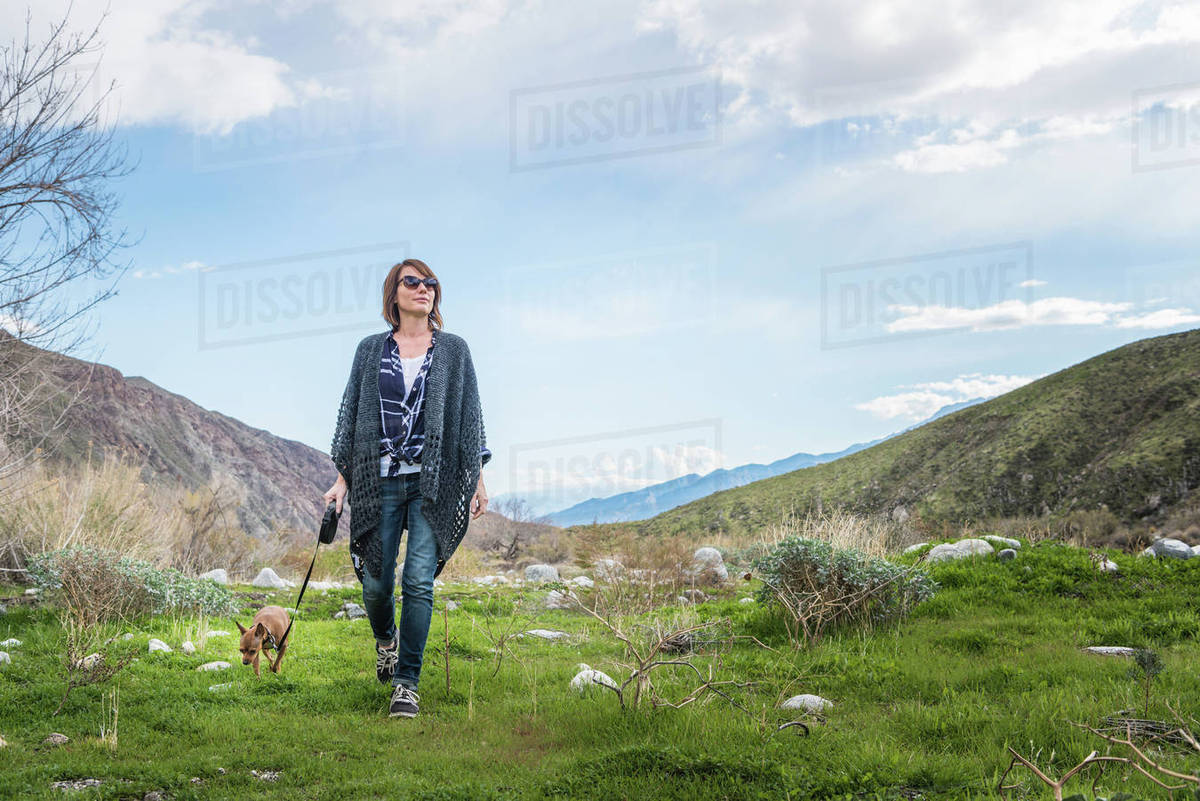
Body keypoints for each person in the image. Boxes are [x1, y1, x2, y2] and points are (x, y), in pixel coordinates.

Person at [324, 257, 490, 718]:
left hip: (431, 482)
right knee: (377, 586)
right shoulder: (369, 350)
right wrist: (342, 482)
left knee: (418, 581)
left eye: (430, 282)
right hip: (378, 482)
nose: (424, 288)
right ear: (393, 294)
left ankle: (406, 684)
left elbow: (468, 420)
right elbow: (354, 419)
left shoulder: (454, 350)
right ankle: (386, 642)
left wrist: (476, 477)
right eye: (412, 282)